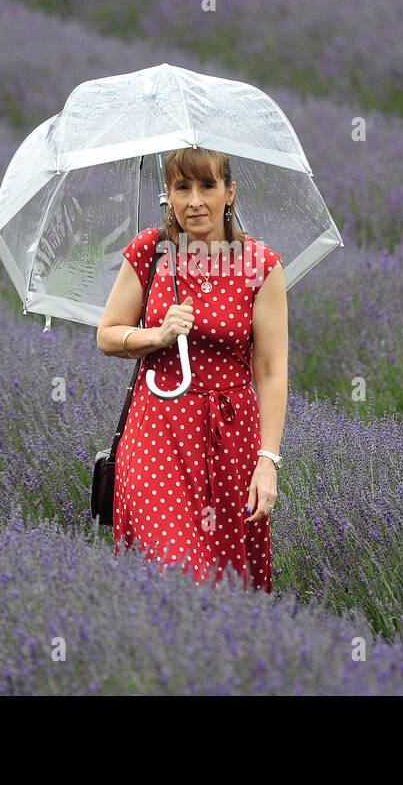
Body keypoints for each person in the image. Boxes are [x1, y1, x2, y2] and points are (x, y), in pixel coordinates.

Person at [96, 147, 288, 592]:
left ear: (230, 192)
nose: (195, 201)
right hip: (156, 430)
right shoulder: (152, 251)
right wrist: (156, 336)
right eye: (182, 187)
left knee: (226, 586)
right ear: (168, 194)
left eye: (207, 186)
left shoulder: (261, 266)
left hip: (230, 441)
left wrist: (268, 461)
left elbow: (272, 370)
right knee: (177, 572)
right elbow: (107, 335)